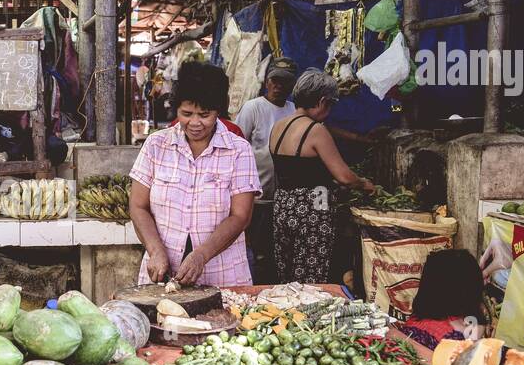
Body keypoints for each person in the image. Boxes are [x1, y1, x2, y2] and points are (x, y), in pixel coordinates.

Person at [129, 61, 261, 287]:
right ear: (176, 109)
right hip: (162, 277)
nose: (195, 123)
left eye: (204, 114)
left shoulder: (239, 150)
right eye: (186, 113)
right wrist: (155, 250)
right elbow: (138, 206)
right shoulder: (156, 145)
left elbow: (241, 216)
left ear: (218, 111)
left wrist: (201, 255)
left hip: (223, 275)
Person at [269, 69, 374, 283]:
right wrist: (364, 184)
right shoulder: (315, 130)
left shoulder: (278, 126)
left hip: (282, 205)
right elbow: (344, 176)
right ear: (323, 101)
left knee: (287, 272)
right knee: (311, 276)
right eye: (331, 105)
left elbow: (298, 170)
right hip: (312, 210)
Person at [235, 56, 298, 280]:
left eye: (285, 82)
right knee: (256, 250)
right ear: (267, 81)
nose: (279, 86)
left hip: (282, 196)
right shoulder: (253, 108)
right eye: (275, 80)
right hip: (256, 196)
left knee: (277, 250)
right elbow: (237, 145)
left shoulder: (293, 109)